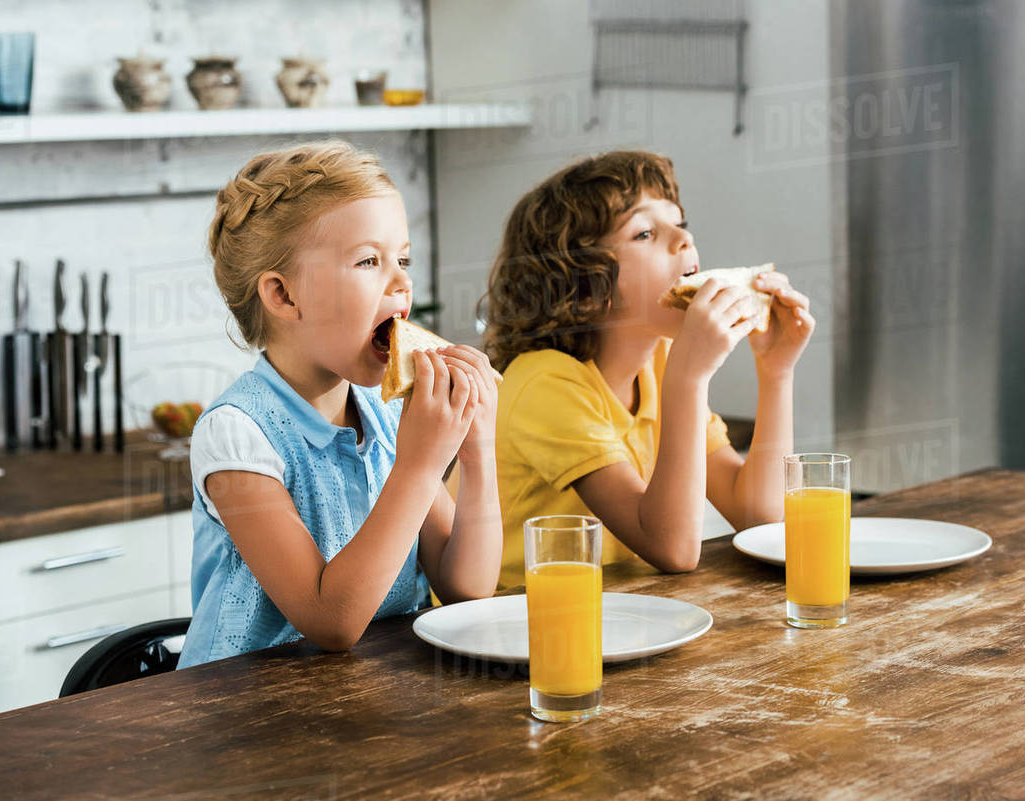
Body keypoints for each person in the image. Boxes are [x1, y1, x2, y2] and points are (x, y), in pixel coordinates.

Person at [179, 141, 502, 667]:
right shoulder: (236, 435)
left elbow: (467, 589)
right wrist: (419, 465)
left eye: (403, 258)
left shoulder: (389, 410)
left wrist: (477, 450)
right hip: (246, 717)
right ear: (284, 296)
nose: (403, 281)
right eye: (369, 261)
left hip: (373, 701)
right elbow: (331, 621)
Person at [483, 150, 815, 588]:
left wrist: (776, 373)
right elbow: (672, 548)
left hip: (619, 613)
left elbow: (759, 517)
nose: (683, 238)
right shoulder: (545, 382)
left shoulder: (658, 362)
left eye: (681, 223)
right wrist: (690, 378)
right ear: (584, 290)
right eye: (644, 233)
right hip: (517, 625)